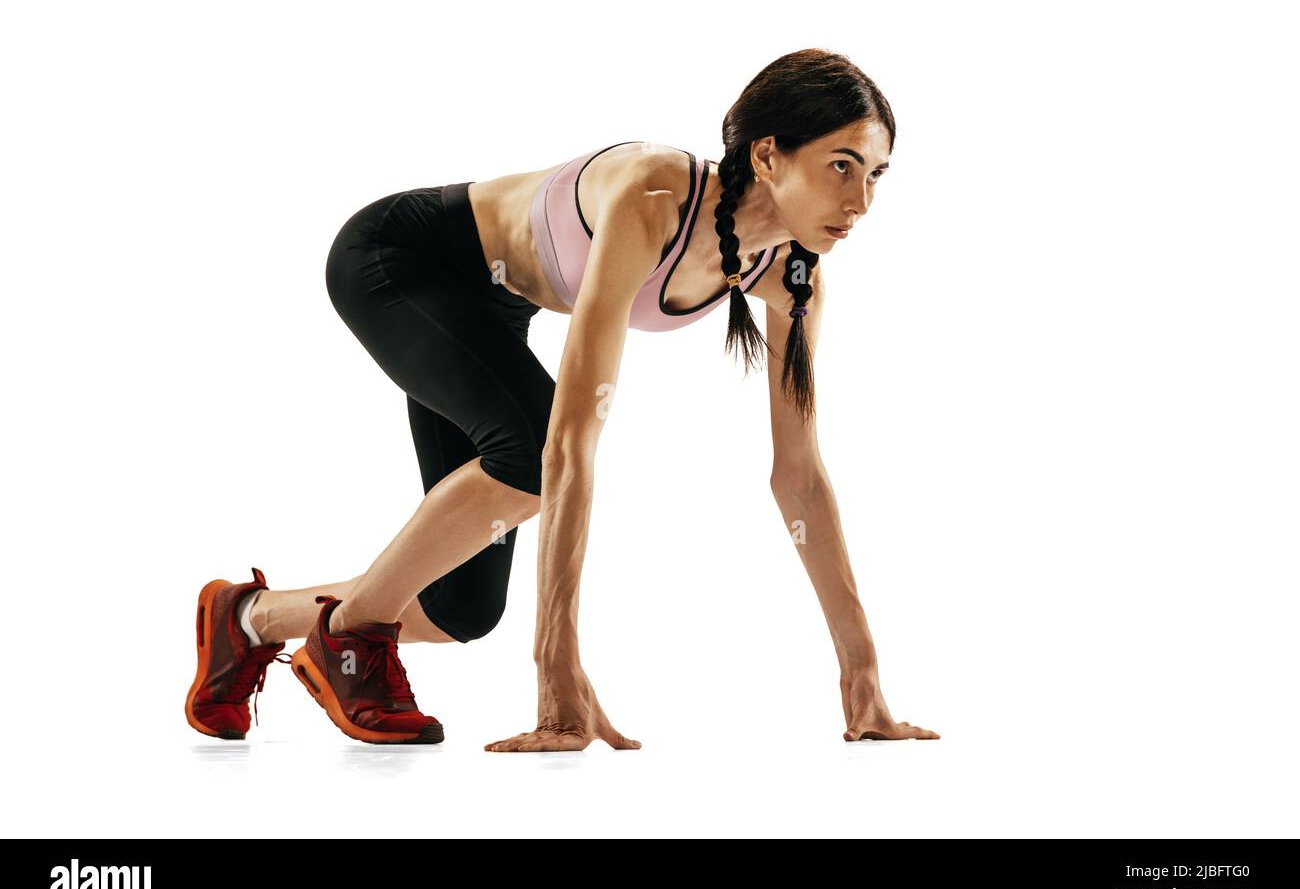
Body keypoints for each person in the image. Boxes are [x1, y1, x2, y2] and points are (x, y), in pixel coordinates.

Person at [185, 47, 940, 750]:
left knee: (459, 610)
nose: (863, 199)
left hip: (485, 316)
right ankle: (349, 636)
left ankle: (248, 620)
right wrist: (556, 665)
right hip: (399, 263)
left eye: (877, 173)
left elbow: (799, 475)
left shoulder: (794, 278)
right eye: (843, 165)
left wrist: (862, 674)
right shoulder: (653, 197)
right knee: (535, 449)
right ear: (769, 153)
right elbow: (569, 443)